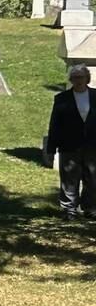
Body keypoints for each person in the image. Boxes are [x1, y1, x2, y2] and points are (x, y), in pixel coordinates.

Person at [47, 64, 96, 218]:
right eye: (75, 78)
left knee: (93, 178)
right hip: (69, 145)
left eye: (81, 77)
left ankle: (90, 208)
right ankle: (69, 210)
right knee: (69, 179)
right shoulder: (62, 99)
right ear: (71, 80)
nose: (78, 80)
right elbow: (54, 125)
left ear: (87, 78)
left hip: (92, 145)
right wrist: (51, 149)